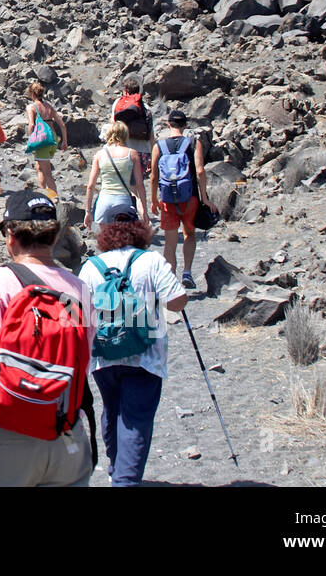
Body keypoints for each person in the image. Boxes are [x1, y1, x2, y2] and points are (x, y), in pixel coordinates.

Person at [0, 191, 97, 487]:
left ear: (11, 234)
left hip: (7, 438)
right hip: (66, 435)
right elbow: (81, 363)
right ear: (55, 234)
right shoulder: (79, 290)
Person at [77, 203, 188, 486]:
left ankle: (116, 467)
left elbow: (79, 314)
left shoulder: (90, 267)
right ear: (139, 228)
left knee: (112, 410)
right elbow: (177, 301)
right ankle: (125, 480)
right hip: (145, 356)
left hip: (103, 355)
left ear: (106, 231)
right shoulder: (150, 261)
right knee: (136, 417)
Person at [150, 109, 210, 289]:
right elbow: (200, 171)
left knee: (170, 241)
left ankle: (171, 280)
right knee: (189, 234)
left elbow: (154, 176)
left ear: (169, 124)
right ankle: (187, 273)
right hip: (189, 198)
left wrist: (154, 200)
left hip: (167, 199)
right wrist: (205, 198)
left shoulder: (159, 146)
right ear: (185, 126)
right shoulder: (193, 142)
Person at [84, 121, 149, 234]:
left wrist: (88, 212)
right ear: (125, 135)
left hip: (104, 200)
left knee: (105, 240)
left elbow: (90, 186)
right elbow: (140, 185)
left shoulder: (100, 154)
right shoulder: (132, 154)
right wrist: (144, 211)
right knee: (124, 238)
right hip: (123, 200)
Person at [24, 82, 68, 195]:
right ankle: (42, 192)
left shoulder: (31, 107)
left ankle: (54, 197)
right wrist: (64, 141)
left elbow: (32, 125)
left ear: (32, 94)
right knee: (40, 167)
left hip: (42, 139)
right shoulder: (48, 106)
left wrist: (30, 139)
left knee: (47, 172)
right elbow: (62, 124)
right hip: (53, 138)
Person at [111, 78, 154, 177]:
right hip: (143, 151)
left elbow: (113, 125)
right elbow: (150, 132)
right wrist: (152, 154)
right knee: (139, 183)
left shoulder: (118, 103)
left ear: (125, 91)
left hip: (124, 149)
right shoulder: (146, 107)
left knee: (125, 182)